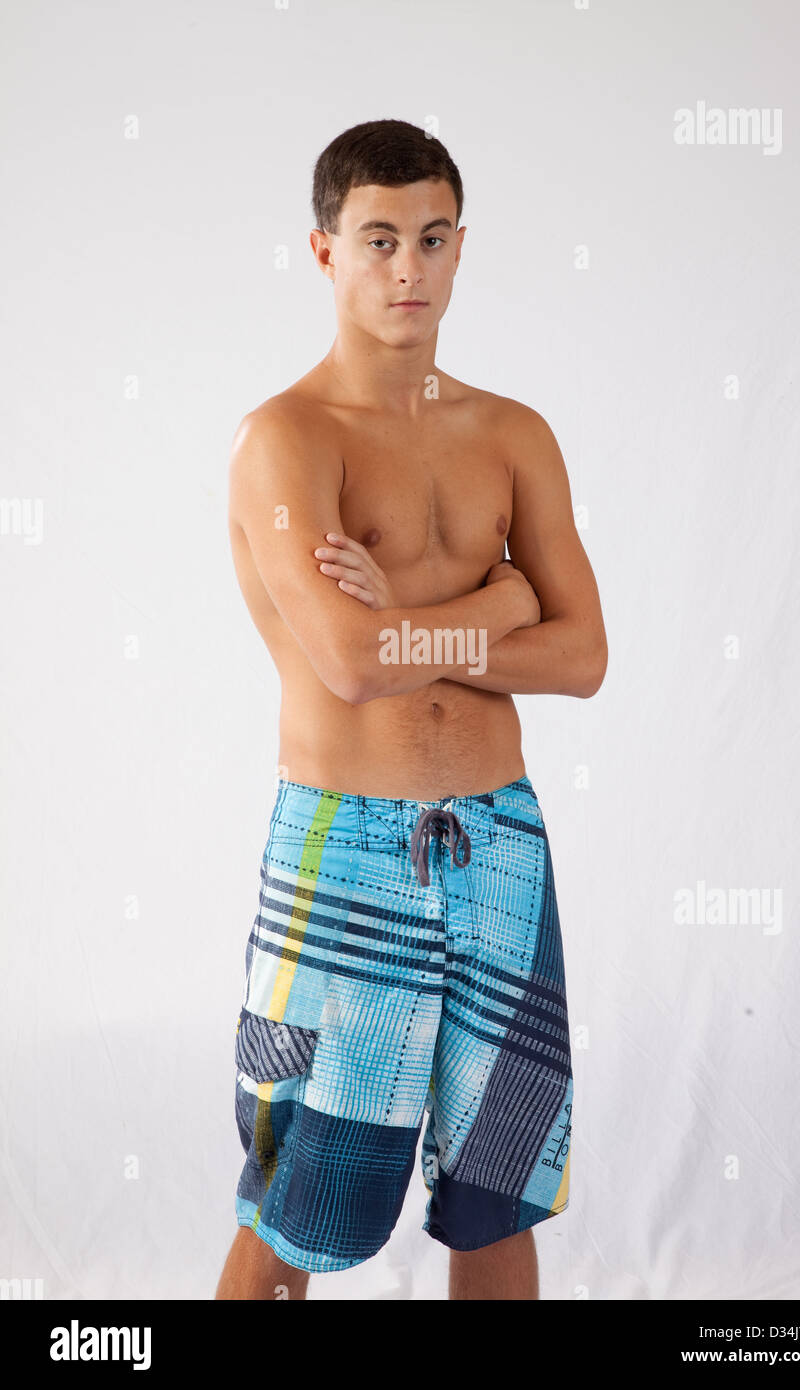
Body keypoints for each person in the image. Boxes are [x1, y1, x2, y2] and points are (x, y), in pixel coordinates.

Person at [215, 118, 607, 1302]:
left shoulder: (511, 433)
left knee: (497, 1192)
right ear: (324, 252)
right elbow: (349, 665)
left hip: (498, 846)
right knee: (299, 1203)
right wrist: (493, 608)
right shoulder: (285, 440)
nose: (407, 269)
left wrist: (412, 625)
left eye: (431, 239)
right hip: (346, 852)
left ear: (457, 247)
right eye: (378, 239)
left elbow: (584, 656)